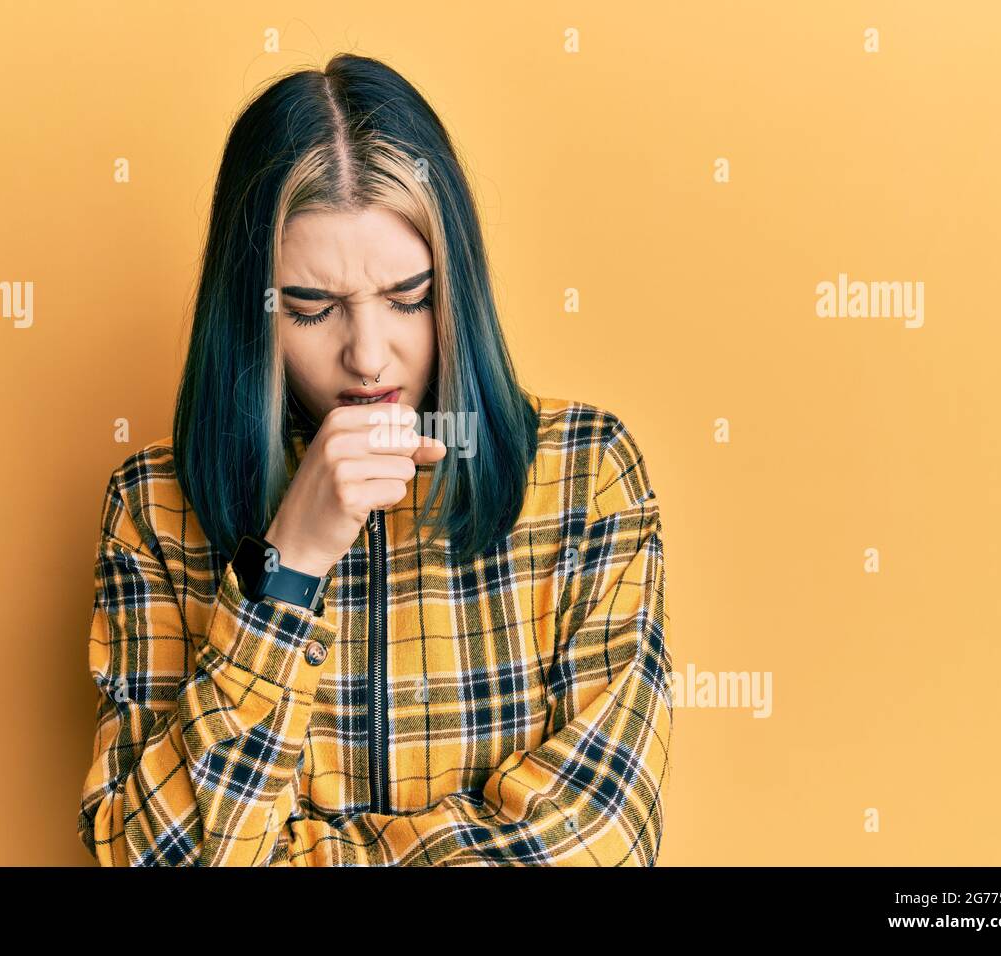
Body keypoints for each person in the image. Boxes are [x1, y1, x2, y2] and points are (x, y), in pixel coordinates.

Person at [77, 52, 673, 866]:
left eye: (408, 298)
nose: (367, 357)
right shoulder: (156, 509)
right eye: (313, 309)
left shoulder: (584, 474)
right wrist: (287, 569)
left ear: (454, 283)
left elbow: (604, 840)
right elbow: (156, 858)